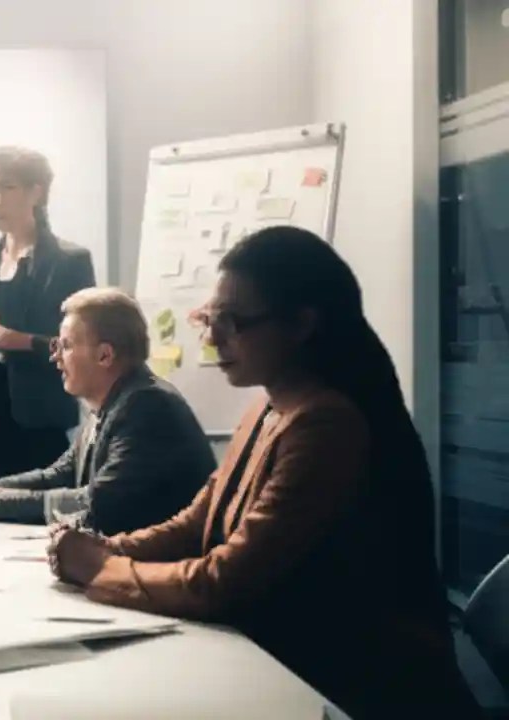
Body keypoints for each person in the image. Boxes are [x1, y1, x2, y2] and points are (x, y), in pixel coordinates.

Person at [46, 227, 482, 719]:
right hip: (290, 667)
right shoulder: (268, 408)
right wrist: (107, 548)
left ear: (301, 324)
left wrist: (102, 569)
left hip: (355, 694)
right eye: (209, 319)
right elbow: (195, 524)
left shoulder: (327, 424)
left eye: (232, 322)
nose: (212, 337)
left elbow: (224, 580)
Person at [0, 288, 213, 531]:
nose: (54, 356)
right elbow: (60, 475)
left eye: (66, 345)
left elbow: (97, 503)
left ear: (105, 355)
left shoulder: (147, 406)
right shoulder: (117, 400)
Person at [0, 146, 96, 479]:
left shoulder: (69, 261)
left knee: (34, 517)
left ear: (36, 191)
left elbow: (85, 346)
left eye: (5, 188)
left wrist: (23, 342)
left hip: (39, 421)